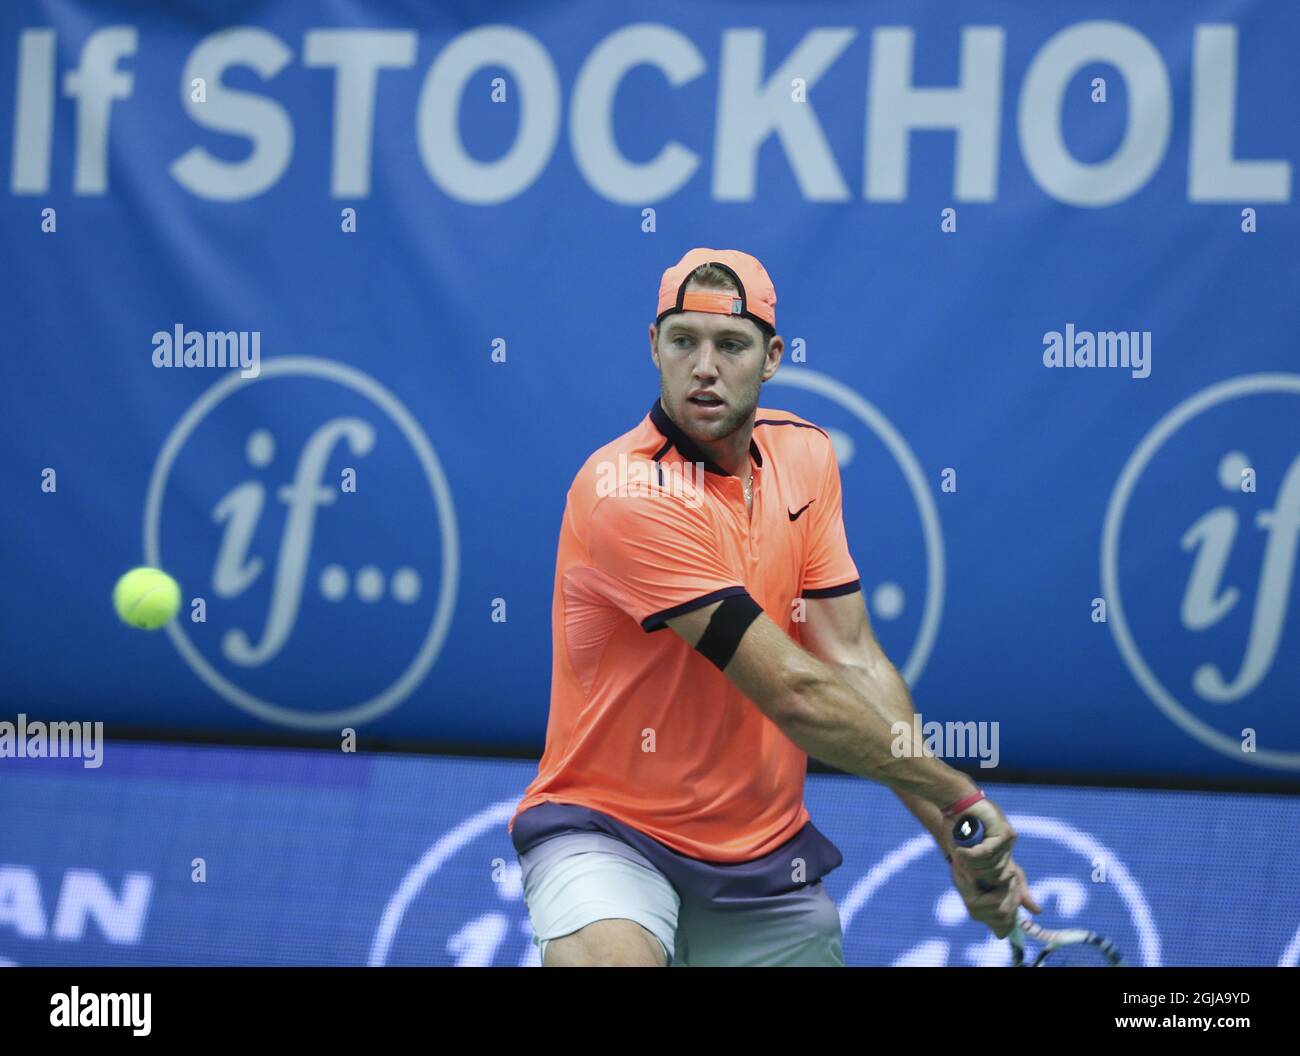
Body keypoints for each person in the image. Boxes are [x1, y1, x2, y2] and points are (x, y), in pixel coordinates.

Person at [509, 247, 1039, 966]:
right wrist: (955, 797)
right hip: (610, 832)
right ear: (653, 347)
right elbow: (794, 692)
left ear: (772, 357)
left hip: (763, 855)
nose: (704, 366)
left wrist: (948, 831)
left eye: (730, 344)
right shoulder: (623, 494)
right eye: (683, 341)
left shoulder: (805, 458)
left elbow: (851, 660)